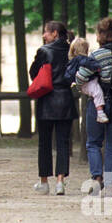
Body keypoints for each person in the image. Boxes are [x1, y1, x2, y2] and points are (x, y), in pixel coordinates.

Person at [82, 17, 112, 195]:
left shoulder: (97, 55)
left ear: (102, 35)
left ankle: (96, 180)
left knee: (93, 143)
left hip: (98, 103)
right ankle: (109, 186)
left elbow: (84, 75)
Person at [29, 21, 75, 194]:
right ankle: (60, 182)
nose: (43, 35)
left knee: (45, 143)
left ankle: (44, 182)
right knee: (63, 142)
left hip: (47, 101)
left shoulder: (44, 51)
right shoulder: (70, 50)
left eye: (46, 32)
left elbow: (33, 73)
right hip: (66, 101)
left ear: (55, 33)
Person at [66, 36, 110, 123]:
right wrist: (97, 68)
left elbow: (68, 74)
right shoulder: (84, 59)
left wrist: (72, 79)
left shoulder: (72, 61)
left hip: (83, 84)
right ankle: (100, 113)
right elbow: (92, 65)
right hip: (87, 83)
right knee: (98, 92)